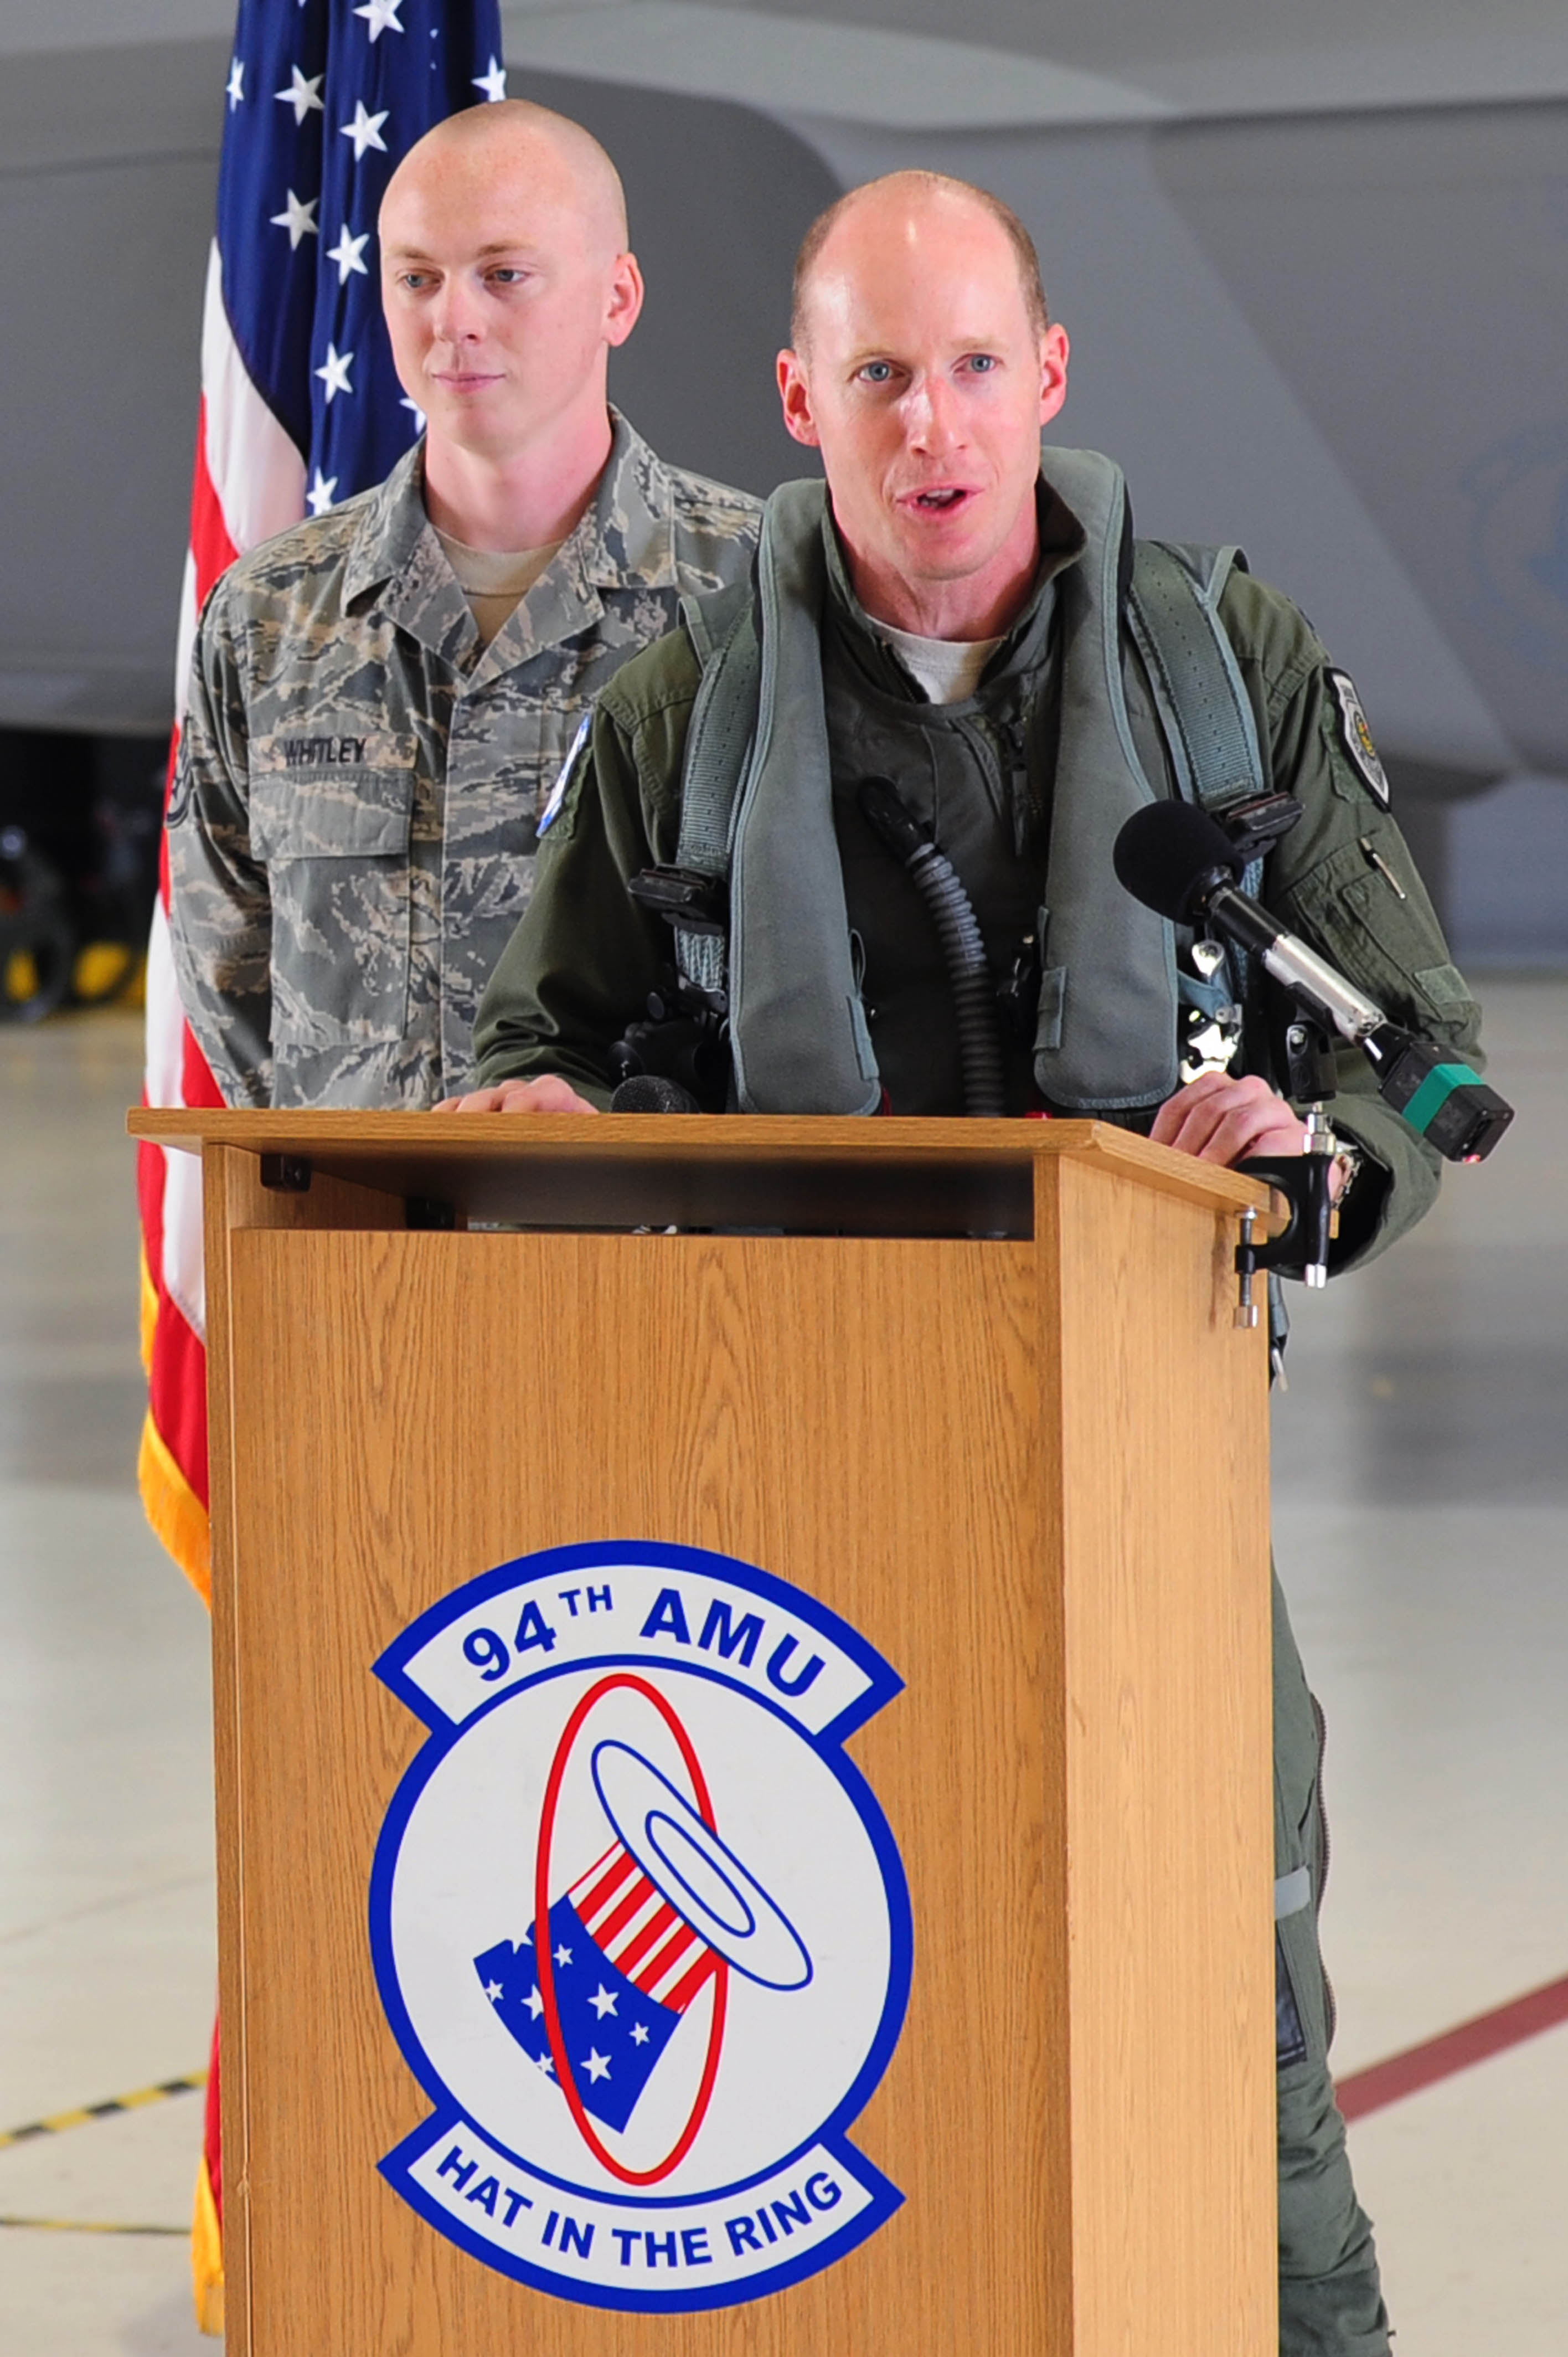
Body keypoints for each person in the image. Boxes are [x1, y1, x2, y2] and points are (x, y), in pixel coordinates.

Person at [443, 171, 1485, 2355]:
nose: (937, 425)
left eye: (979, 365)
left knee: (1237, 2007)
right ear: (801, 396)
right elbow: (543, 1050)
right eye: (885, 373)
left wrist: (1315, 1157)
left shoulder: (1229, 673)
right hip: (790, 1516)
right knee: (842, 2061)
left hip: (1153, 1496)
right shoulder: (684, 720)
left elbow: (1427, 1059)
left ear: (1054, 377)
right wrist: (550, 1140)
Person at [167, 99, 760, 1109]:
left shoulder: (754, 595)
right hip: (365, 1248)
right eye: (417, 278)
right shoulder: (269, 616)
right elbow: (232, 978)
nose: (456, 319)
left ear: (618, 297)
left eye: (504, 274)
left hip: (650, 1248)